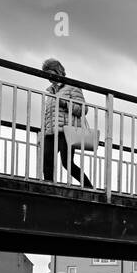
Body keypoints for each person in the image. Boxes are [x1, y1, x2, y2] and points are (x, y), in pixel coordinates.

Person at [39, 58, 96, 188]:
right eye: (47, 75)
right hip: (50, 132)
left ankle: (88, 186)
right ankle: (49, 187)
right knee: (47, 161)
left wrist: (65, 103)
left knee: (67, 163)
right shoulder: (51, 91)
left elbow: (83, 109)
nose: (49, 78)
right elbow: (48, 114)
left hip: (66, 132)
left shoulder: (72, 87)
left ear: (58, 71)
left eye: (51, 73)